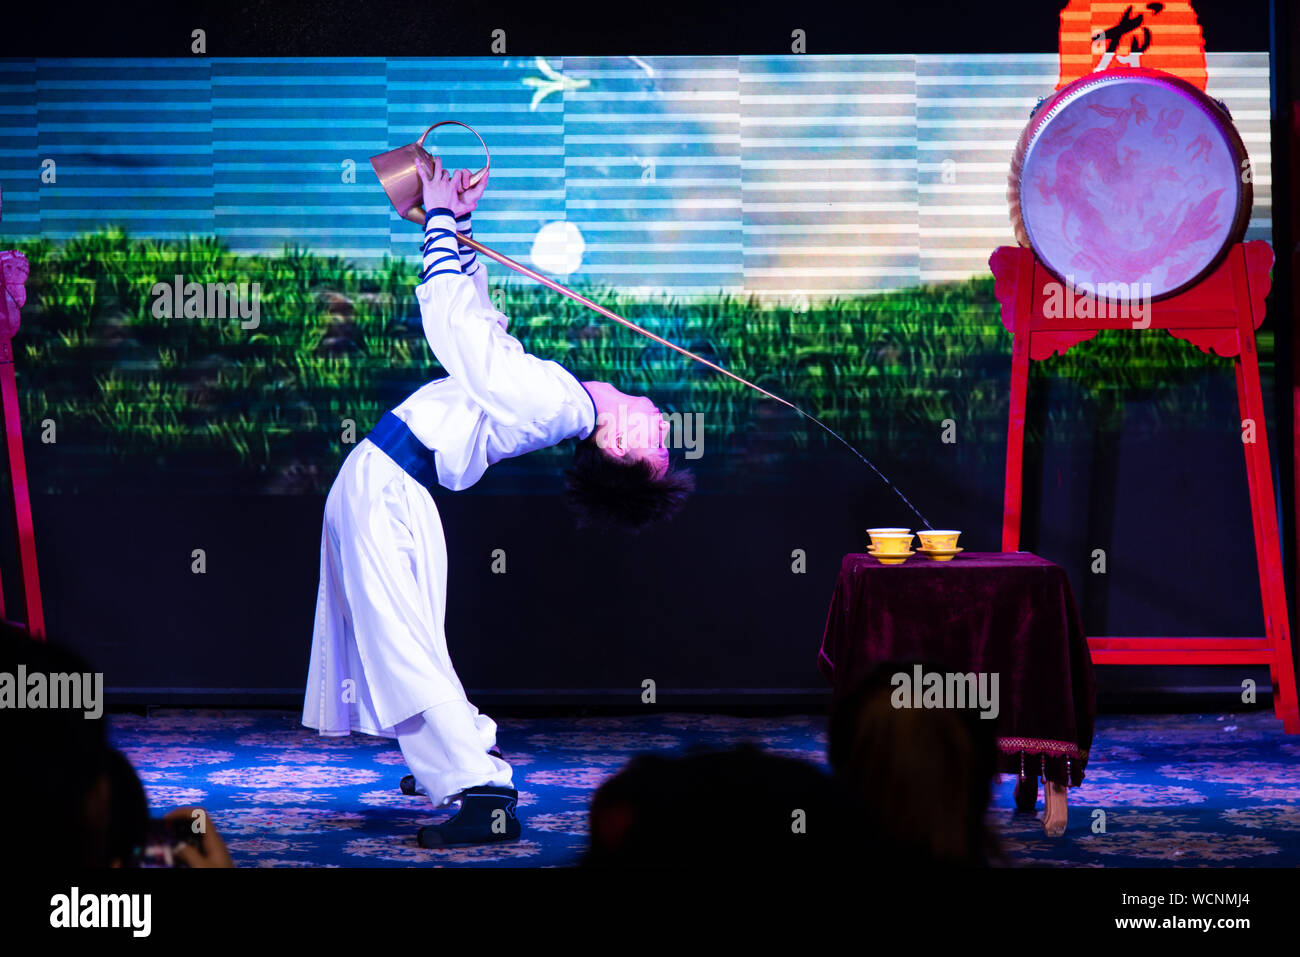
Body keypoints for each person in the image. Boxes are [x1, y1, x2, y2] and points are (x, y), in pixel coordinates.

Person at [302, 155, 693, 848]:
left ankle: (482, 790)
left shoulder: (556, 401)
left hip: (388, 488)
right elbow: (482, 332)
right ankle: (455, 759)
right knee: (407, 648)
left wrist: (443, 223)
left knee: (406, 653)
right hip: (388, 486)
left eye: (659, 444)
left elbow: (463, 338)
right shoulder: (561, 396)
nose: (665, 429)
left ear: (621, 442)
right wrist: (456, 221)